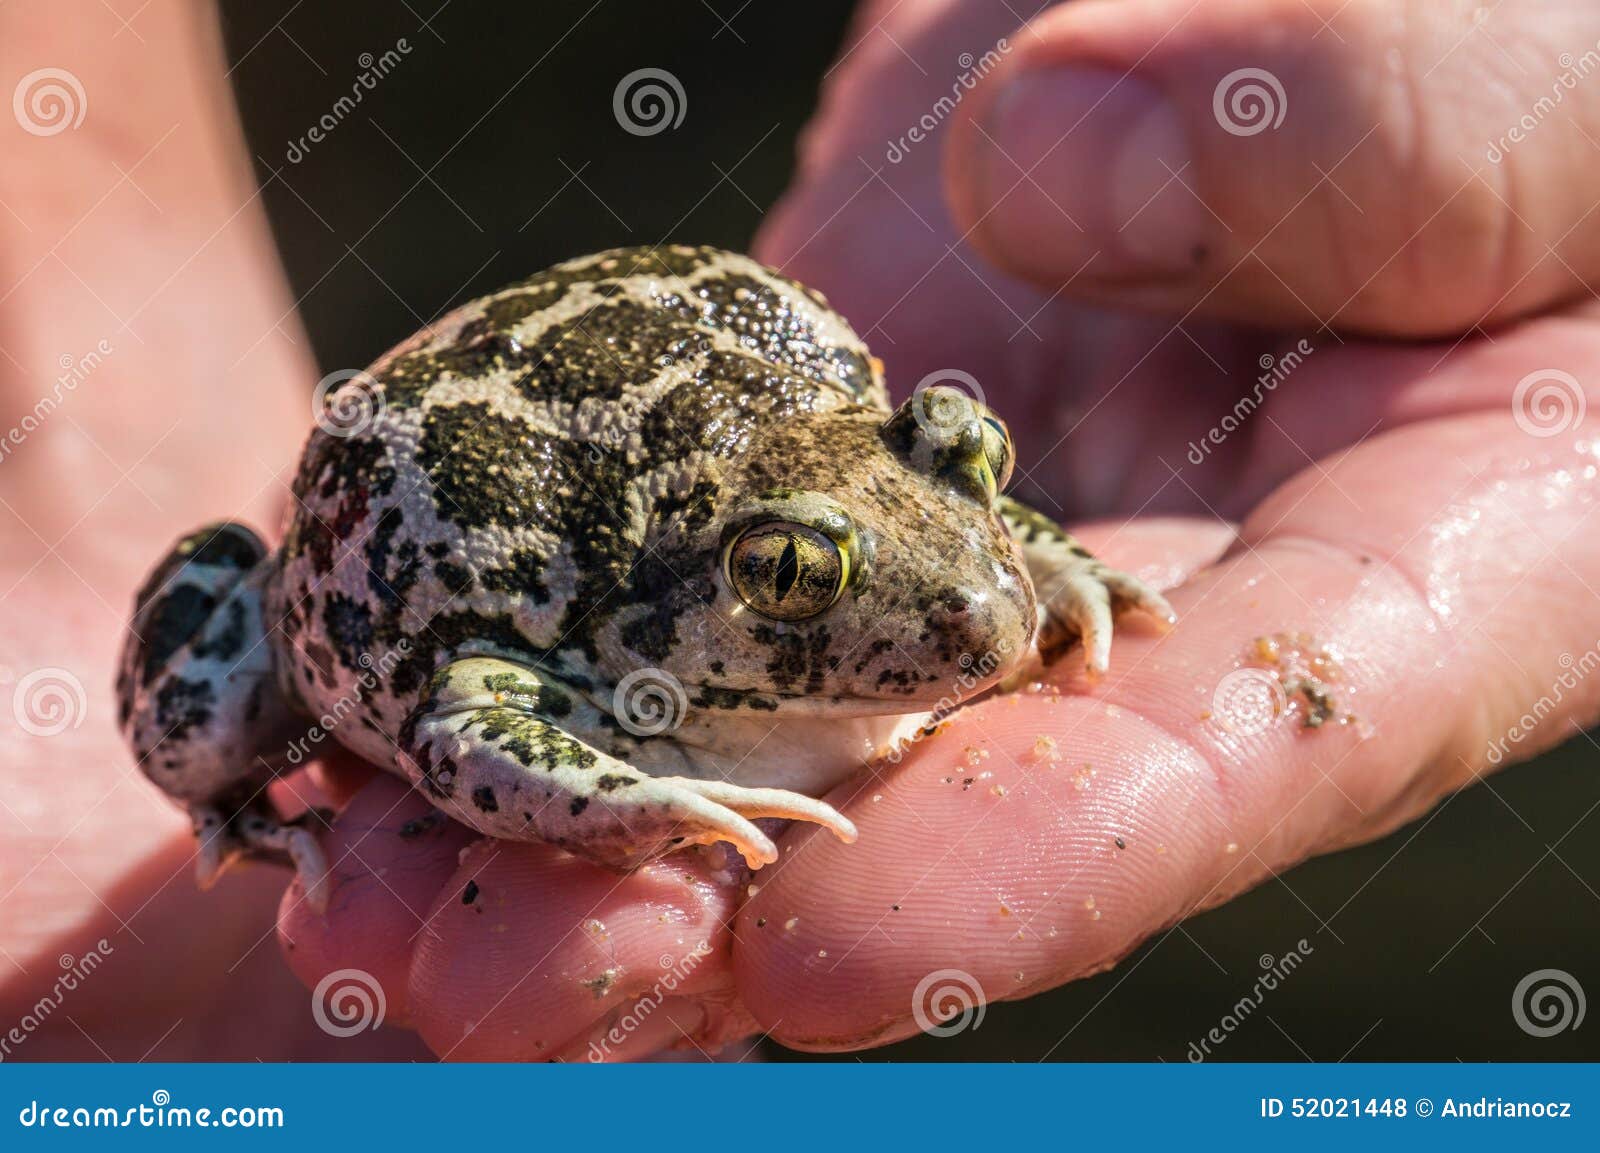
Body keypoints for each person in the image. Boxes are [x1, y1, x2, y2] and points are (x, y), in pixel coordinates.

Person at [4, 0, 1596, 1060]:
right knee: (205, 710)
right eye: (787, 584)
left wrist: (1030, 546)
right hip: (407, 547)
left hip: (714, 405)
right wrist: (626, 797)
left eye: (964, 471)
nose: (970, 612)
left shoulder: (863, 436)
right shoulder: (567, 624)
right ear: (687, 596)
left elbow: (893, 479)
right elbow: (459, 719)